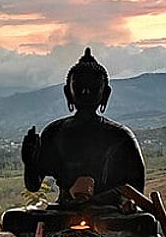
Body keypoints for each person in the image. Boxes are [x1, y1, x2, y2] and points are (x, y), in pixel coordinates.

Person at [21, 48, 146, 205]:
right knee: (14, 218)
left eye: (93, 87)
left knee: (145, 221)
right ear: (68, 92)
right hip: (65, 211)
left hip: (107, 213)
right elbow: (33, 186)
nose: (86, 91)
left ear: (105, 93)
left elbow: (136, 192)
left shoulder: (120, 136)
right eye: (79, 86)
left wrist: (95, 201)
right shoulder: (54, 132)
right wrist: (30, 163)